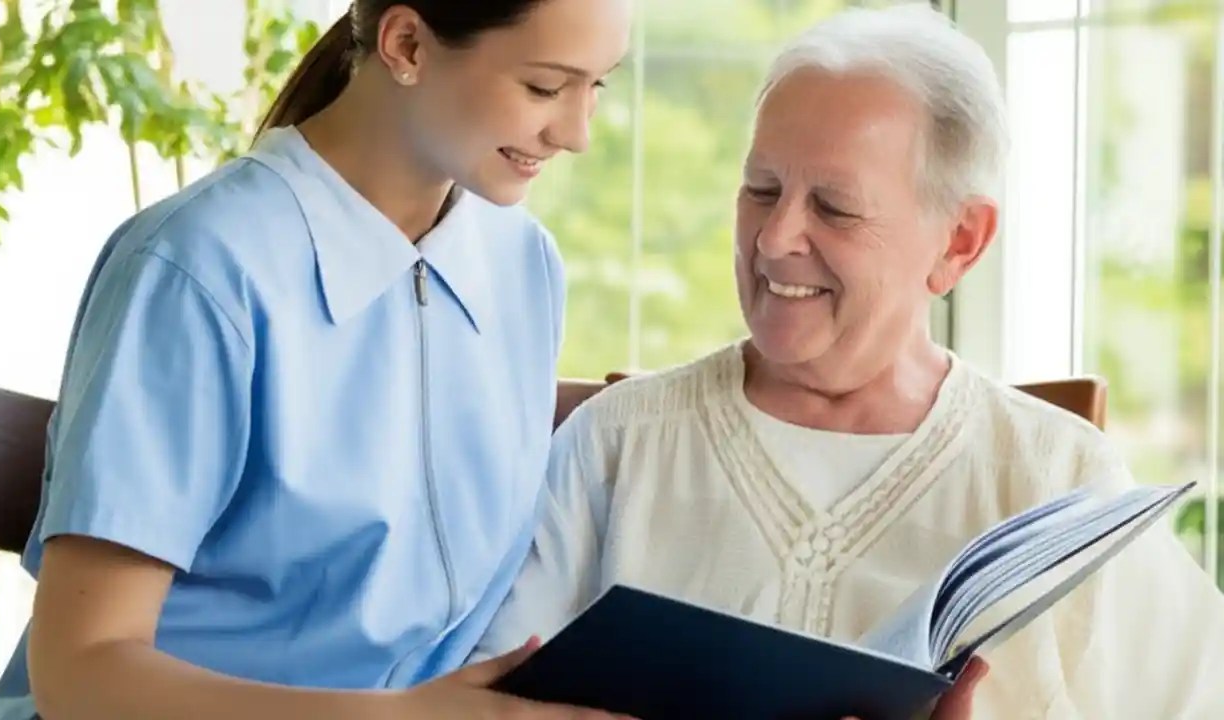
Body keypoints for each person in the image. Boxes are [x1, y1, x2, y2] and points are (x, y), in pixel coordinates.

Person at [475, 5, 1224, 719]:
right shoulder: (616, 445)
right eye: (761, 190)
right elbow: (483, 706)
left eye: (834, 208)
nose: (774, 240)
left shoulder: (1062, 482)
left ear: (960, 241)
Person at [0, 1, 638, 719]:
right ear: (408, 44)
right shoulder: (197, 269)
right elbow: (80, 675)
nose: (576, 133)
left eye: (597, 86)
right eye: (545, 87)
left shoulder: (523, 264)